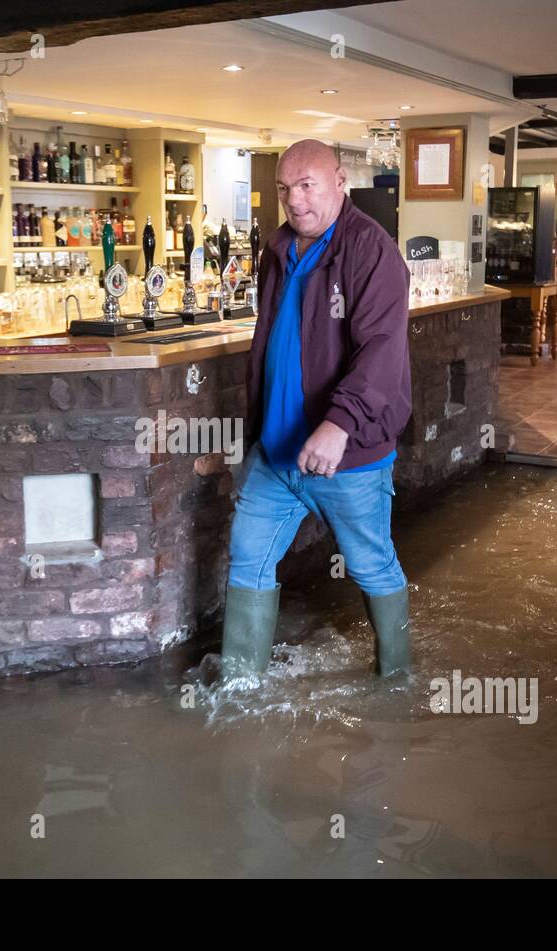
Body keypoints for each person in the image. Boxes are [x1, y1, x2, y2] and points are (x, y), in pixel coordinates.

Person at [221, 139, 412, 680]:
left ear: (339, 181)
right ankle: (238, 694)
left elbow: (381, 348)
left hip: (345, 454)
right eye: (285, 188)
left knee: (373, 567)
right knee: (247, 559)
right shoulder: (278, 251)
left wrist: (339, 424)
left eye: (307, 186)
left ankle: (398, 684)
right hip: (277, 452)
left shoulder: (370, 250)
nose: (295, 200)